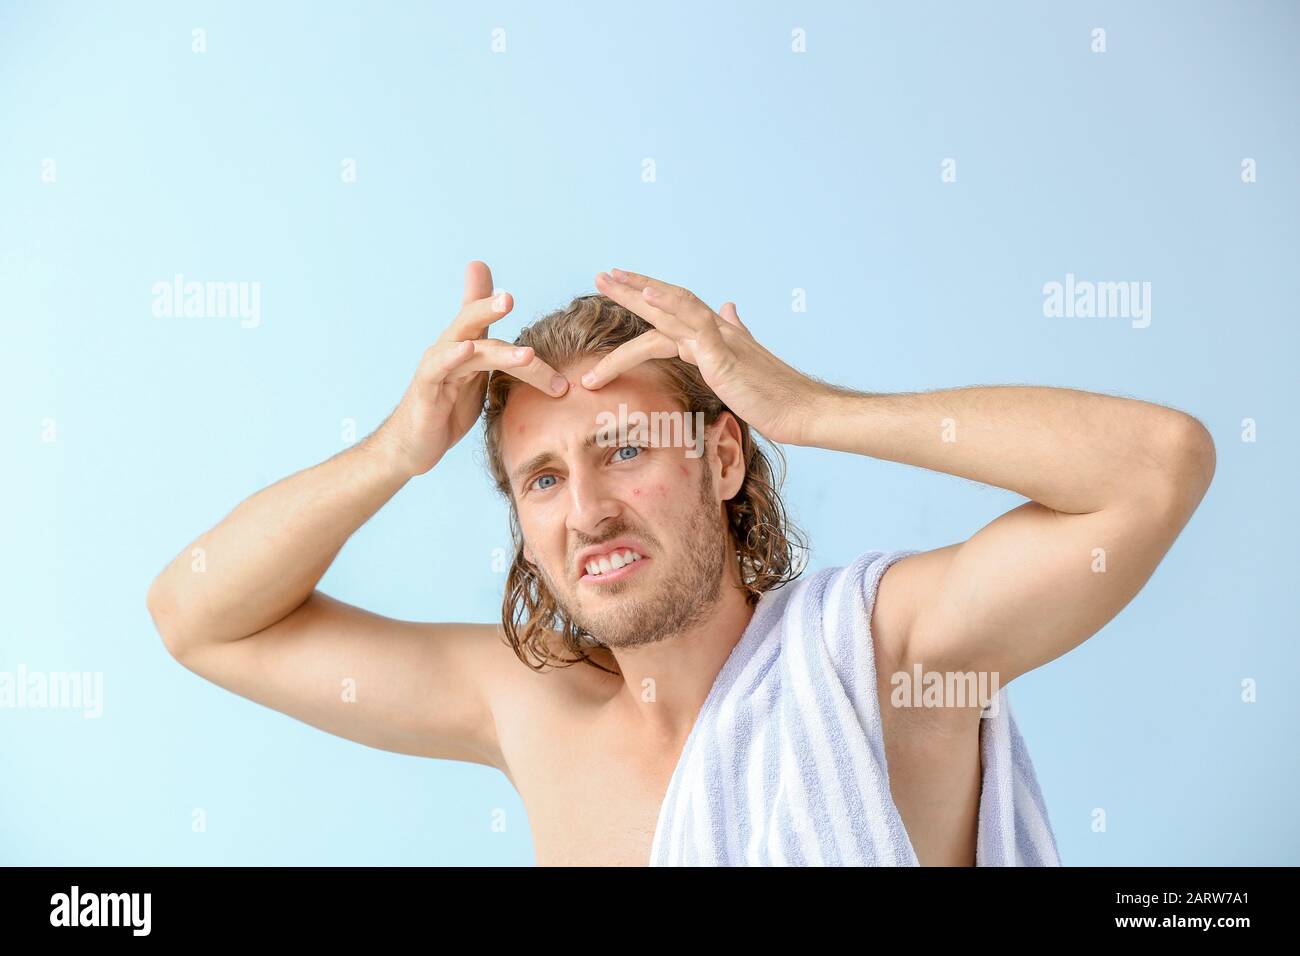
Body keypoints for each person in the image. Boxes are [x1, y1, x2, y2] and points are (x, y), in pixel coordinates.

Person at [145, 260, 1216, 866]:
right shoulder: (530, 711)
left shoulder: (883, 658)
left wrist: (813, 409)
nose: (588, 510)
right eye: (543, 479)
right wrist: (394, 452)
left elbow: (1156, 466)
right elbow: (197, 617)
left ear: (724, 457)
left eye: (625, 450)